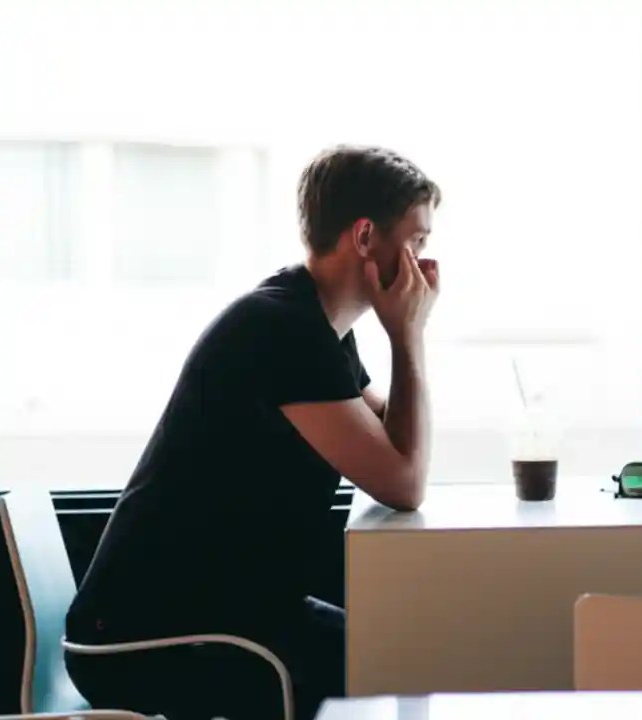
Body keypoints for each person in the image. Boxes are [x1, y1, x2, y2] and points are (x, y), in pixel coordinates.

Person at [64, 145, 440, 720]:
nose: (426, 268)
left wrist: (404, 335)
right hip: (140, 635)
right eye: (416, 242)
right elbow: (403, 481)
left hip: (222, 611)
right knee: (377, 666)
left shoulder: (315, 324)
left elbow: (391, 439)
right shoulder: (283, 330)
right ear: (365, 237)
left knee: (394, 654)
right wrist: (408, 338)